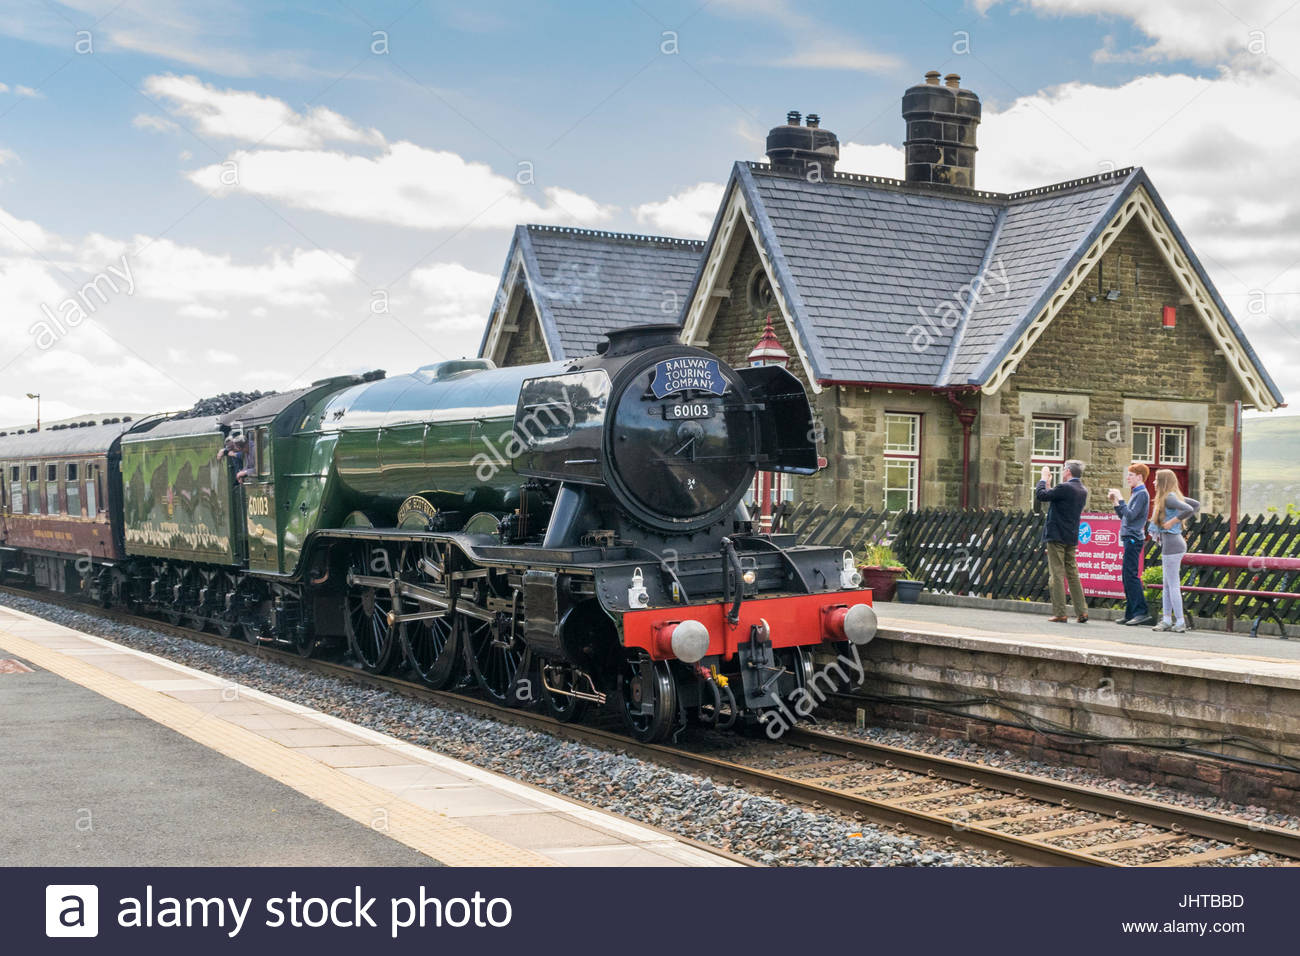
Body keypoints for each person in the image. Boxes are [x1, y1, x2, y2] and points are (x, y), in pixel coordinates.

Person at [1035, 459, 1089, 623]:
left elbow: (1041, 495)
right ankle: (1082, 611)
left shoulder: (1065, 487)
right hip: (1070, 536)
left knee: (1056, 573)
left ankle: (1060, 612)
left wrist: (1043, 479)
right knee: (1072, 573)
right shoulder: (1082, 489)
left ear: (1068, 471)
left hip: (1056, 535)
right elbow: (1057, 499)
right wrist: (1050, 486)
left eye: (1064, 469)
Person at [1149, 468, 1200, 633]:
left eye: (1156, 479)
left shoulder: (1169, 498)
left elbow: (1190, 509)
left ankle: (1179, 622)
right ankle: (1166, 619)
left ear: (1163, 482)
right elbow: (1195, 504)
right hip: (1172, 543)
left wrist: (1173, 521)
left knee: (1172, 585)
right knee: (1167, 585)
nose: (1153, 482)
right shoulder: (1170, 497)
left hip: (1173, 544)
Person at [1108, 463, 1154, 626]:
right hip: (1130, 537)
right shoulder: (1137, 493)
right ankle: (1130, 613)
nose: (1127, 478)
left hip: (1134, 539)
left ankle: (1141, 612)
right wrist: (1116, 502)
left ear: (1139, 477)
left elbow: (1131, 515)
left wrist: (1120, 497)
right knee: (1127, 576)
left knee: (1131, 576)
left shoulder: (1142, 494)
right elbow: (1125, 516)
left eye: (1131, 475)